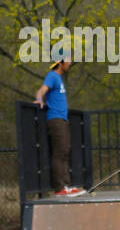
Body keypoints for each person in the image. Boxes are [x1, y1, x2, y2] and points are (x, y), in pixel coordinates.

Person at [34, 58, 85, 197]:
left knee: (64, 151)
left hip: (63, 119)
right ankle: (59, 188)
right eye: (67, 61)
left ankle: (67, 185)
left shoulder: (59, 79)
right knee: (59, 152)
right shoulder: (52, 76)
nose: (70, 63)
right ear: (60, 63)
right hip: (55, 119)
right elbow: (41, 91)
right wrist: (39, 101)